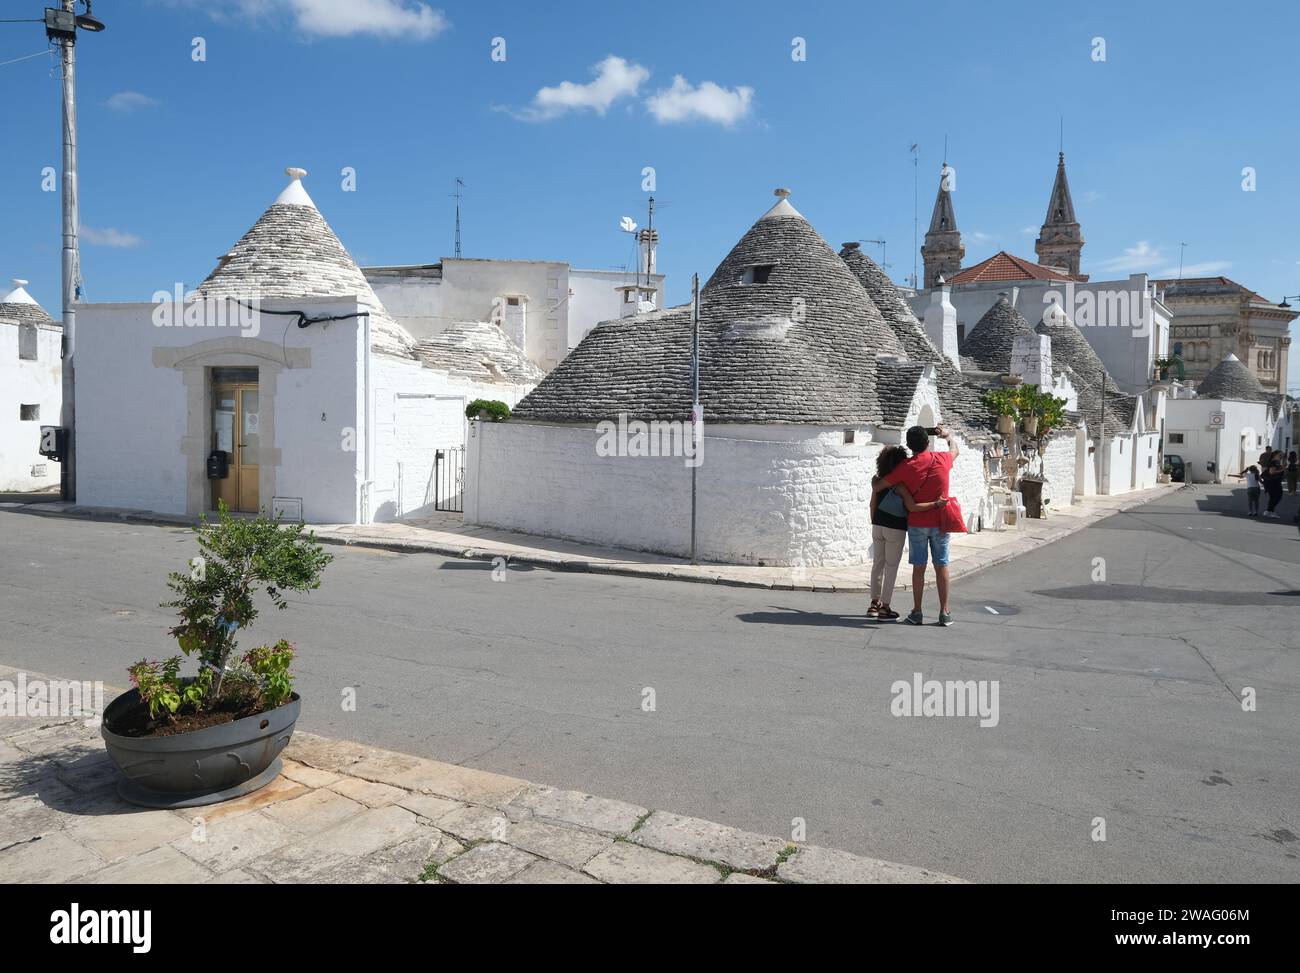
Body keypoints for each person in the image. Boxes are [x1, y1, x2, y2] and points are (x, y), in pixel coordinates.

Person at [881, 424, 959, 626]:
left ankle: (917, 612)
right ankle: (945, 611)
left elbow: (880, 485)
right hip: (940, 521)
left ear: (909, 445)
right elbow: (955, 450)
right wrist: (947, 436)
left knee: (919, 568)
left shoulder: (906, 467)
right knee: (942, 565)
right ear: (927, 442)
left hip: (917, 523)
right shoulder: (942, 459)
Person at [867, 446, 950, 622]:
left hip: (877, 526)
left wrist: (874, 521)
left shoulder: (877, 480)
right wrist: (936, 504)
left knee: (877, 564)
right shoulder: (900, 486)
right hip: (895, 528)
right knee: (891, 567)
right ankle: (885, 607)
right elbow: (912, 507)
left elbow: (872, 504)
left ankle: (874, 604)